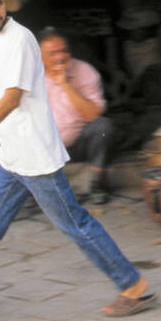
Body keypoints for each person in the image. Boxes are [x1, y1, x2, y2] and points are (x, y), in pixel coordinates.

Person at [0, 0, 154, 321]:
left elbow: (12, 99)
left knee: (75, 224)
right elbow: (1, 102)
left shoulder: (19, 39)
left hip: (36, 157)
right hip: (11, 156)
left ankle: (132, 285)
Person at [38, 28, 114, 205]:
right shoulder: (29, 75)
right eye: (53, 53)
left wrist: (64, 84)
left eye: (64, 50)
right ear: (39, 55)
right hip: (43, 148)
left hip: (79, 145)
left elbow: (93, 115)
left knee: (104, 127)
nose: (60, 57)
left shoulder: (85, 70)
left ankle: (96, 184)